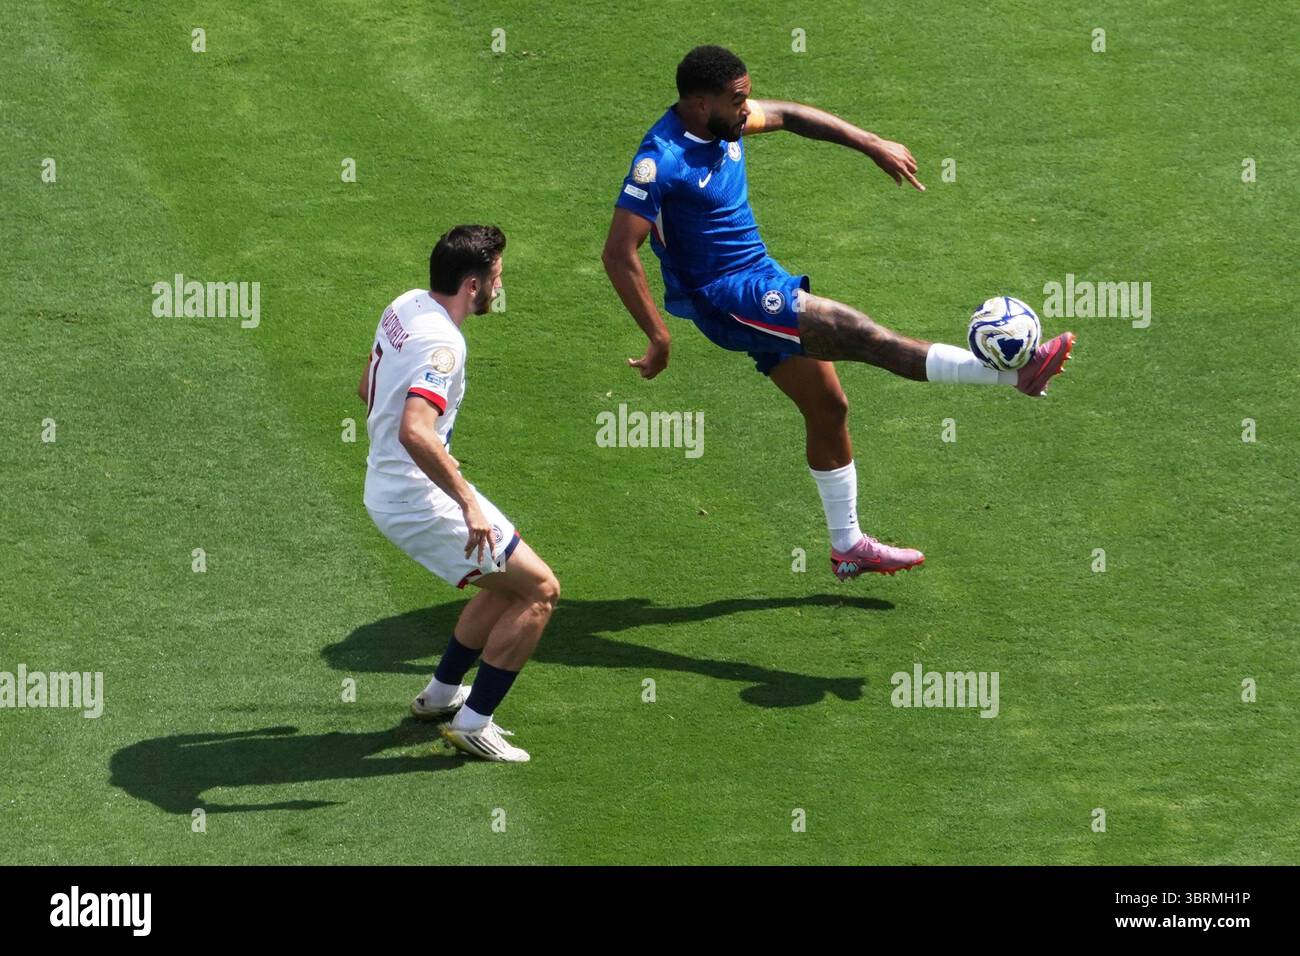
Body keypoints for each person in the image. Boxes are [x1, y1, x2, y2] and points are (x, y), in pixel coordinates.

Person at [602, 46, 1074, 578]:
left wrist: (870, 143)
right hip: (729, 297)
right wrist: (658, 336)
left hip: (761, 277)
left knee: (829, 408)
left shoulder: (724, 123)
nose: (748, 108)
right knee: (860, 333)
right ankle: (1015, 375)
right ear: (697, 102)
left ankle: (847, 547)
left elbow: (792, 116)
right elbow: (619, 253)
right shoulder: (661, 160)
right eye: (737, 101)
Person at [360, 225, 559, 762]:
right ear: (472, 286)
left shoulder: (404, 305)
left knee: (504, 583)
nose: (500, 286)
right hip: (419, 499)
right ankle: (475, 724)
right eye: (496, 277)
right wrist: (466, 501)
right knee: (541, 591)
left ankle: (442, 695)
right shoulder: (445, 343)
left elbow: (368, 388)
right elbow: (415, 430)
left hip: (391, 485)